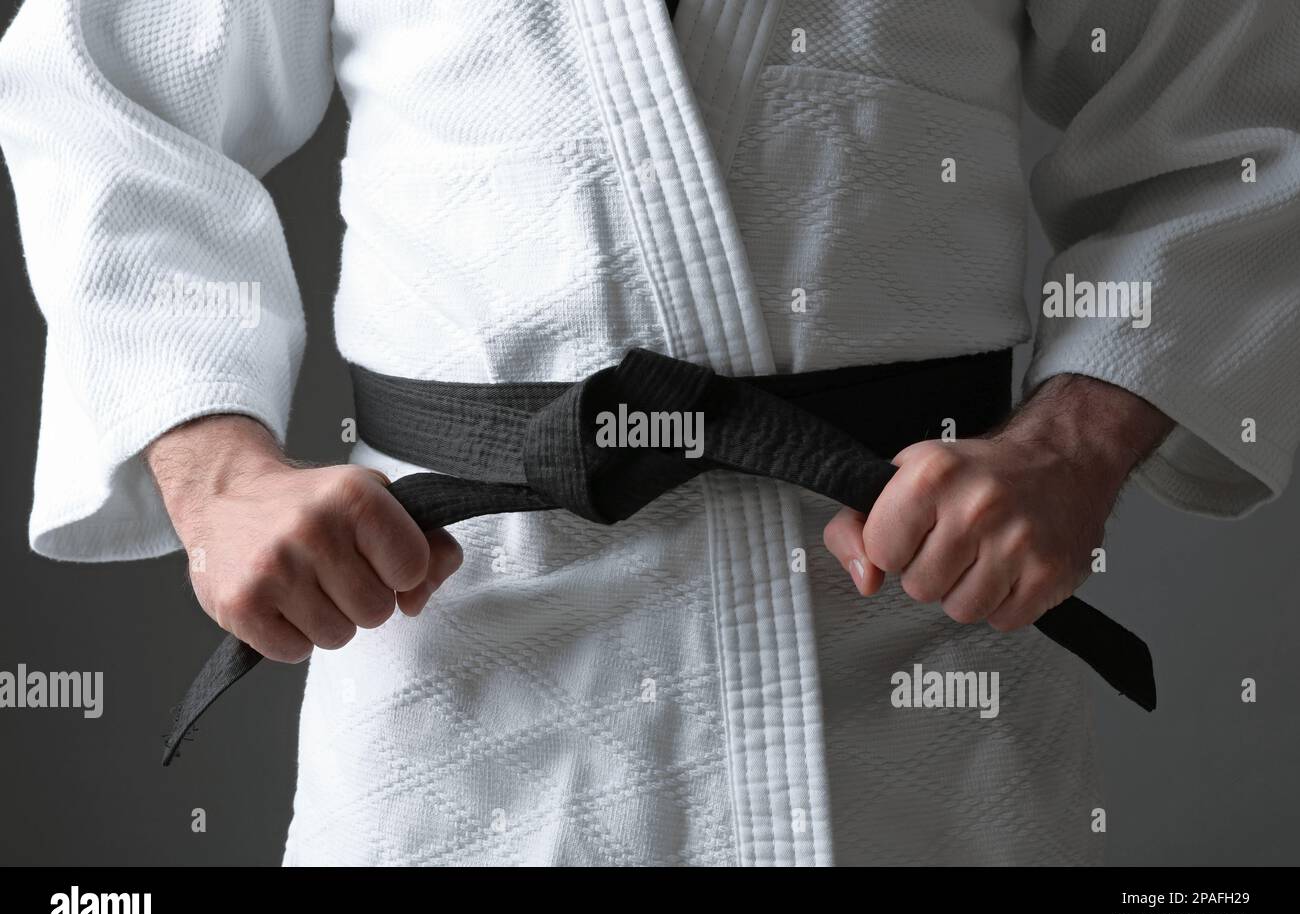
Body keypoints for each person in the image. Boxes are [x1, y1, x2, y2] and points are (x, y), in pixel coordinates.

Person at [0, 0, 1295, 866]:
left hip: (921, 629)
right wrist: (214, 472)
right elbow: (104, 91)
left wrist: (1070, 448)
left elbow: (1235, 115)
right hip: (464, 646)